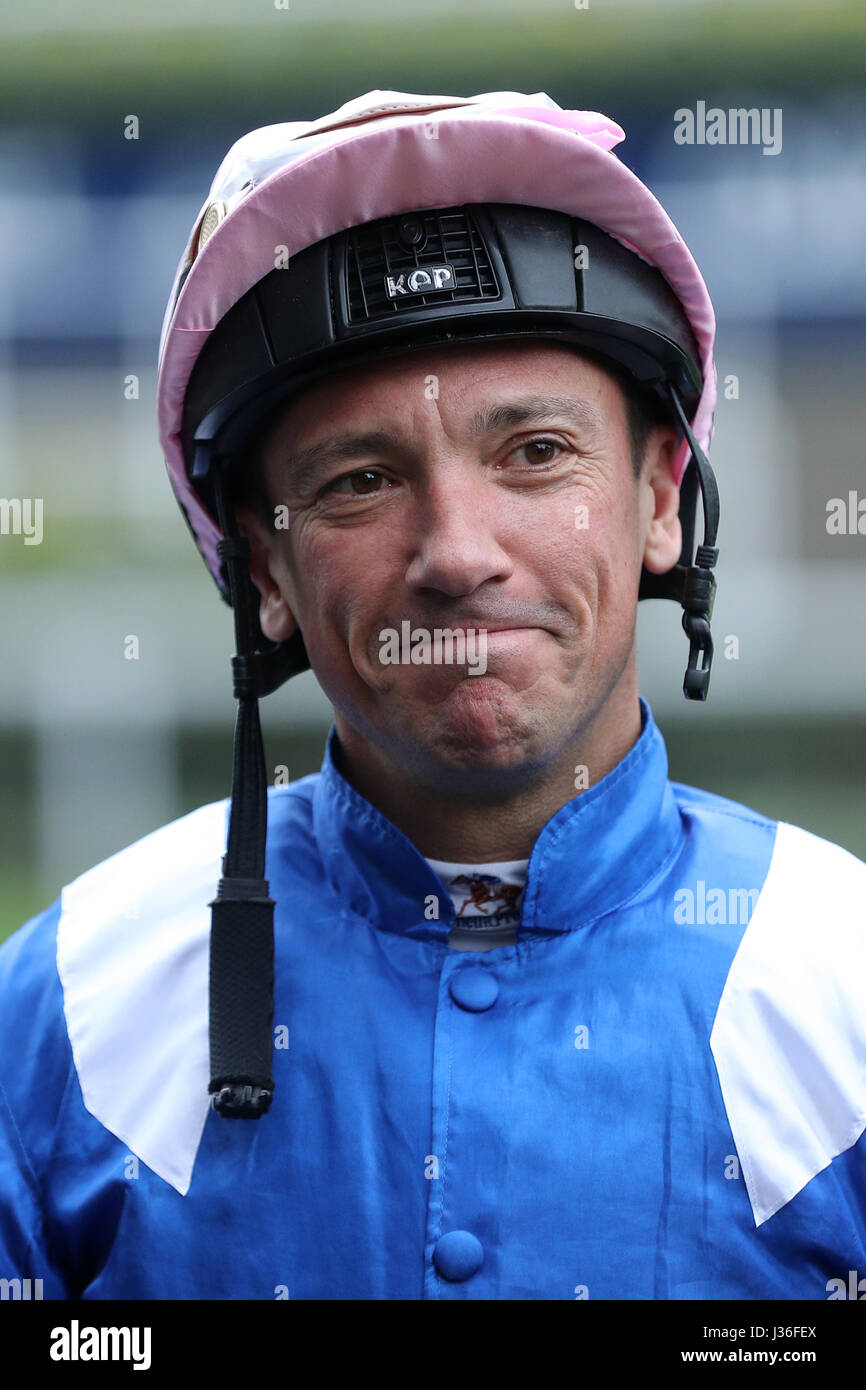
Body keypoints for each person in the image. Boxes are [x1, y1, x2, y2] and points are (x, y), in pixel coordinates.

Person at [1, 88, 864, 1303]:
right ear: (264, 569)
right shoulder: (63, 1016)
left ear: (661, 497)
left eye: (535, 453)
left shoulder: (847, 983)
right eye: (361, 480)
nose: (457, 552)